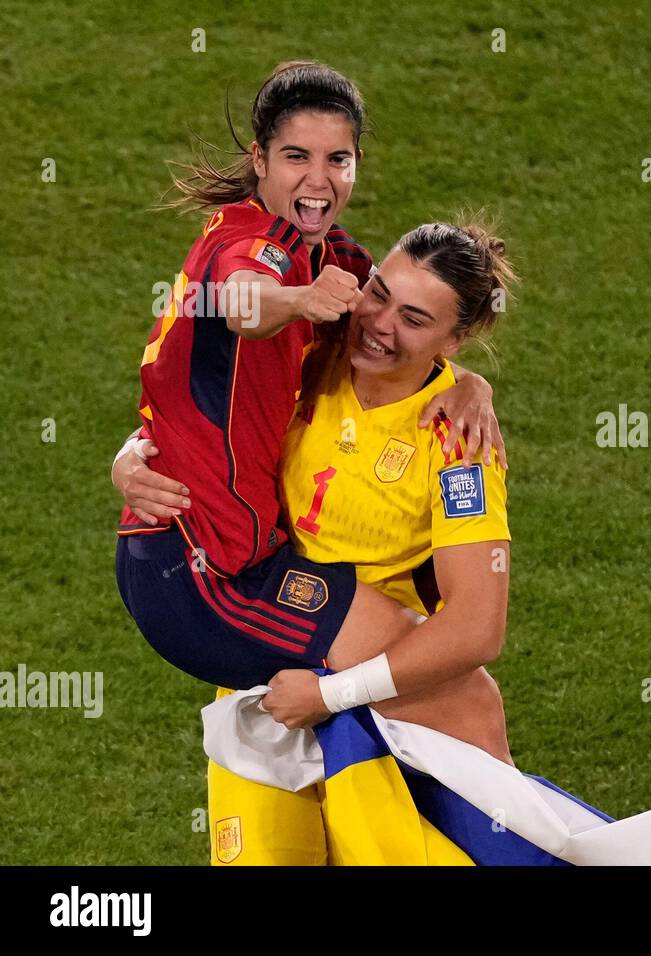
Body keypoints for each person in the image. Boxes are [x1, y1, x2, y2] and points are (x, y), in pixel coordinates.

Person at [114, 62, 507, 740]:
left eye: (339, 160)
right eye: (297, 156)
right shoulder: (247, 243)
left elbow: (406, 323)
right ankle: (530, 846)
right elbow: (240, 305)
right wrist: (297, 300)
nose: (319, 181)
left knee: (433, 698)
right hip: (205, 573)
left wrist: (472, 381)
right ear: (260, 159)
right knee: (461, 700)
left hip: (225, 551)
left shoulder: (336, 258)